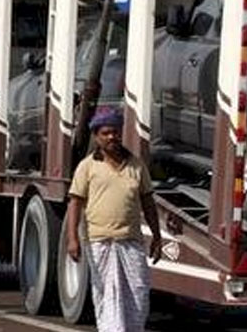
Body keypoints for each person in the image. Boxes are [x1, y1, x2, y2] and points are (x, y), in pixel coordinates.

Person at [66, 108, 162, 332]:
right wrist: (72, 239)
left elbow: (148, 203)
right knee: (108, 296)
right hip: (100, 242)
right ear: (97, 137)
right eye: (106, 133)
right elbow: (75, 203)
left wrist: (157, 237)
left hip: (131, 242)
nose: (112, 137)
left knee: (138, 293)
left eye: (116, 132)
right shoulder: (87, 166)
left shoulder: (136, 166)